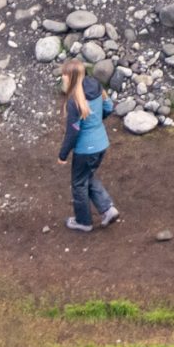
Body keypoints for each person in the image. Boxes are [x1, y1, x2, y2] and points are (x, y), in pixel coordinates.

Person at [57, 59, 120, 232]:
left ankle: (83, 221)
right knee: (88, 176)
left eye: (64, 75)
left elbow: (73, 132)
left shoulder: (74, 101)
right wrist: (96, 122)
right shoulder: (95, 86)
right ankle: (108, 209)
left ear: (70, 78)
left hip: (85, 149)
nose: (62, 78)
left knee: (78, 184)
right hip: (101, 144)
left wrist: (62, 155)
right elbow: (108, 106)